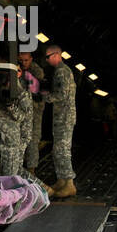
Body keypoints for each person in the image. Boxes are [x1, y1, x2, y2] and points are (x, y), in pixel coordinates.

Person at [44, 44, 77, 198]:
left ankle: (69, 184)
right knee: (58, 149)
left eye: (48, 56)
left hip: (64, 117)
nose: (46, 59)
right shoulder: (60, 71)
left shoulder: (62, 72)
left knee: (62, 150)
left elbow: (62, 94)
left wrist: (45, 97)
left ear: (57, 55)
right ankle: (62, 180)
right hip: (61, 116)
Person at [18, 50, 45, 171]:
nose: (23, 63)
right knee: (19, 137)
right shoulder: (17, 68)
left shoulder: (37, 71)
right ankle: (18, 168)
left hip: (35, 110)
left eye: (26, 60)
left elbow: (37, 90)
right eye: (21, 60)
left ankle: (31, 170)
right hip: (21, 110)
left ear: (31, 59)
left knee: (33, 140)